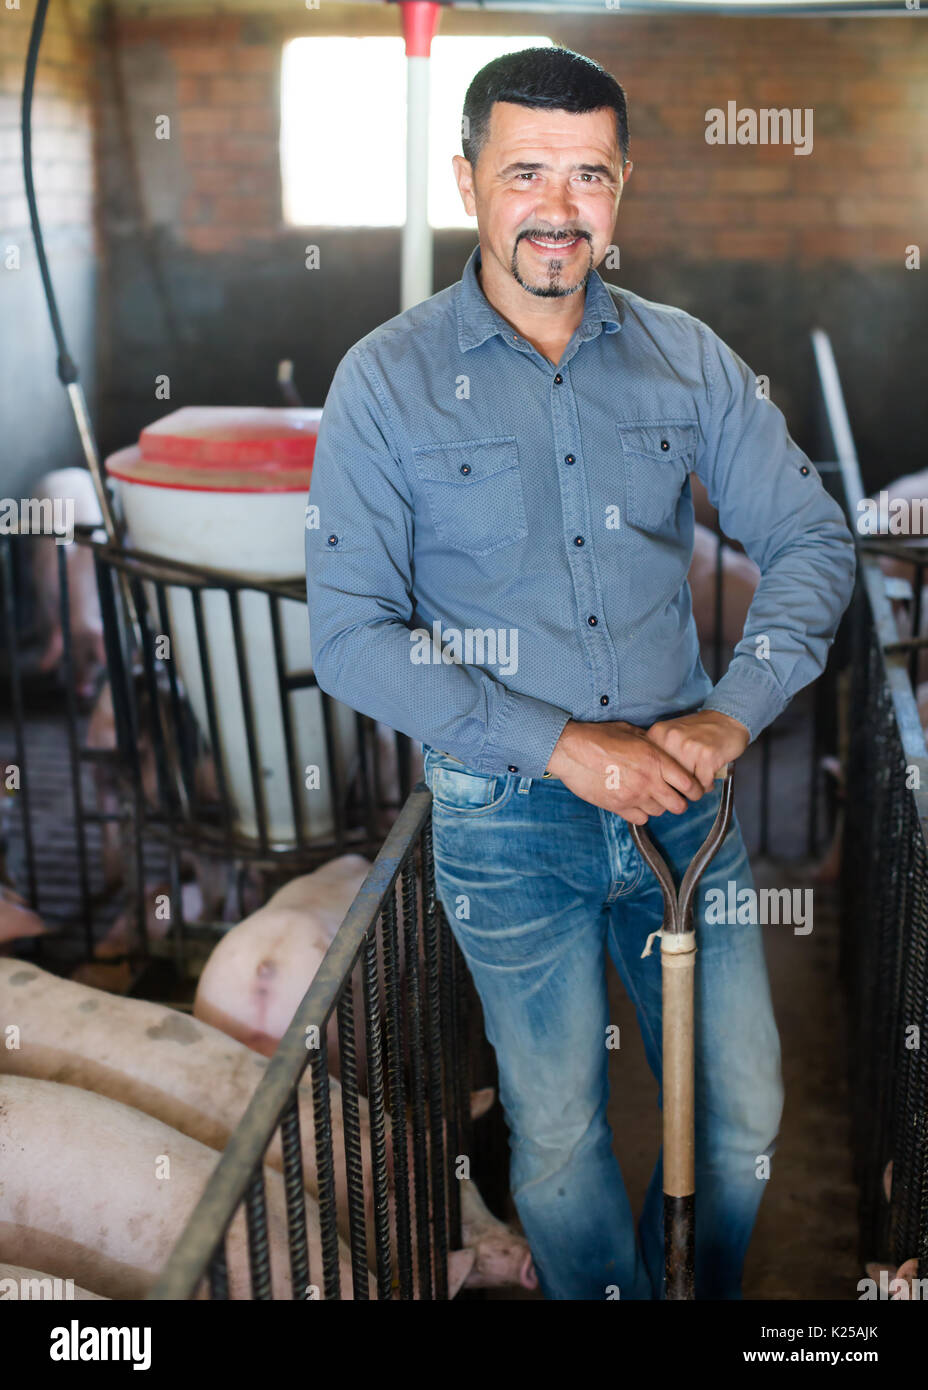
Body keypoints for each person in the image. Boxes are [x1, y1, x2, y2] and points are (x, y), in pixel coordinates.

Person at [305, 45, 856, 1299]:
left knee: (743, 1109)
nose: (558, 207)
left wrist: (733, 710)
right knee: (557, 1131)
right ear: (467, 181)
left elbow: (812, 536)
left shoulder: (686, 357)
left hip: (683, 802)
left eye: (589, 175)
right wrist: (559, 744)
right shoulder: (385, 381)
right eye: (526, 172)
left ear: (624, 189)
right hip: (509, 821)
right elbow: (347, 631)